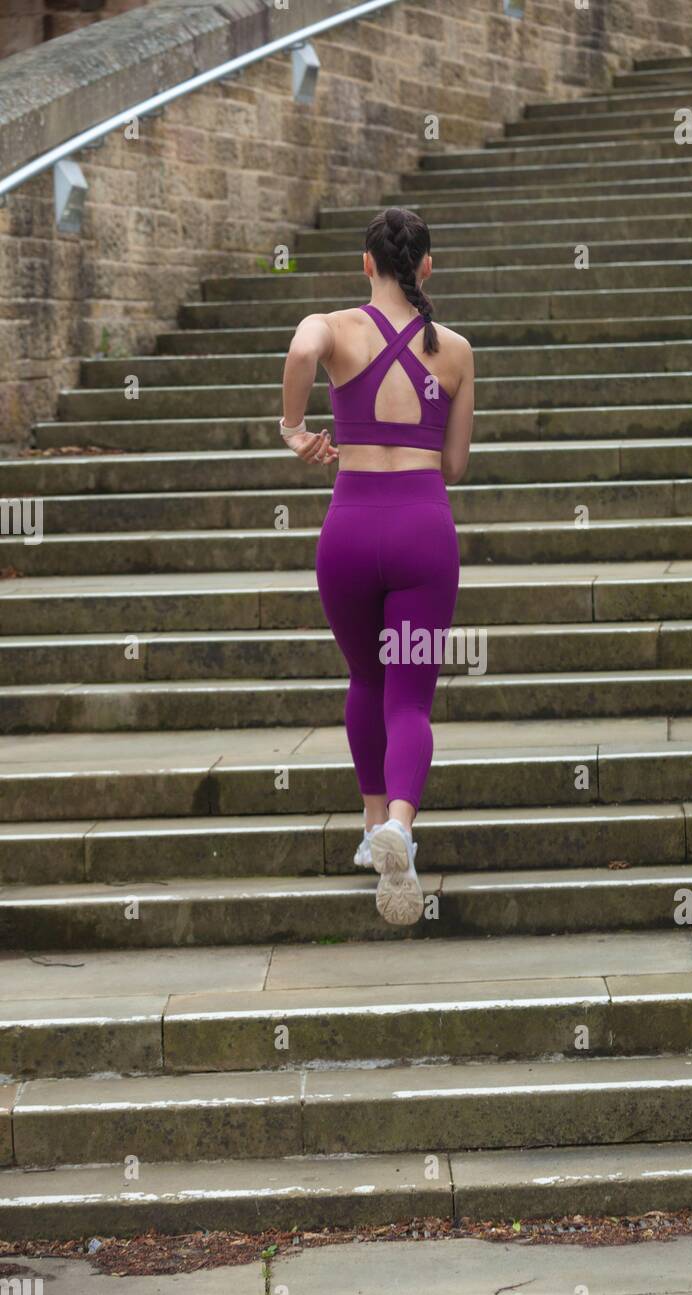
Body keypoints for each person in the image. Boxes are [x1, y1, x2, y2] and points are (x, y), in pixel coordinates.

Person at [279, 206, 475, 925]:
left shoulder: (335, 327)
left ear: (367, 263)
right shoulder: (454, 348)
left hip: (351, 529)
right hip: (424, 528)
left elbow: (302, 353)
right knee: (411, 698)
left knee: (366, 678)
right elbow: (453, 465)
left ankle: (372, 832)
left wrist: (293, 429)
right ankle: (399, 825)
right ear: (426, 267)